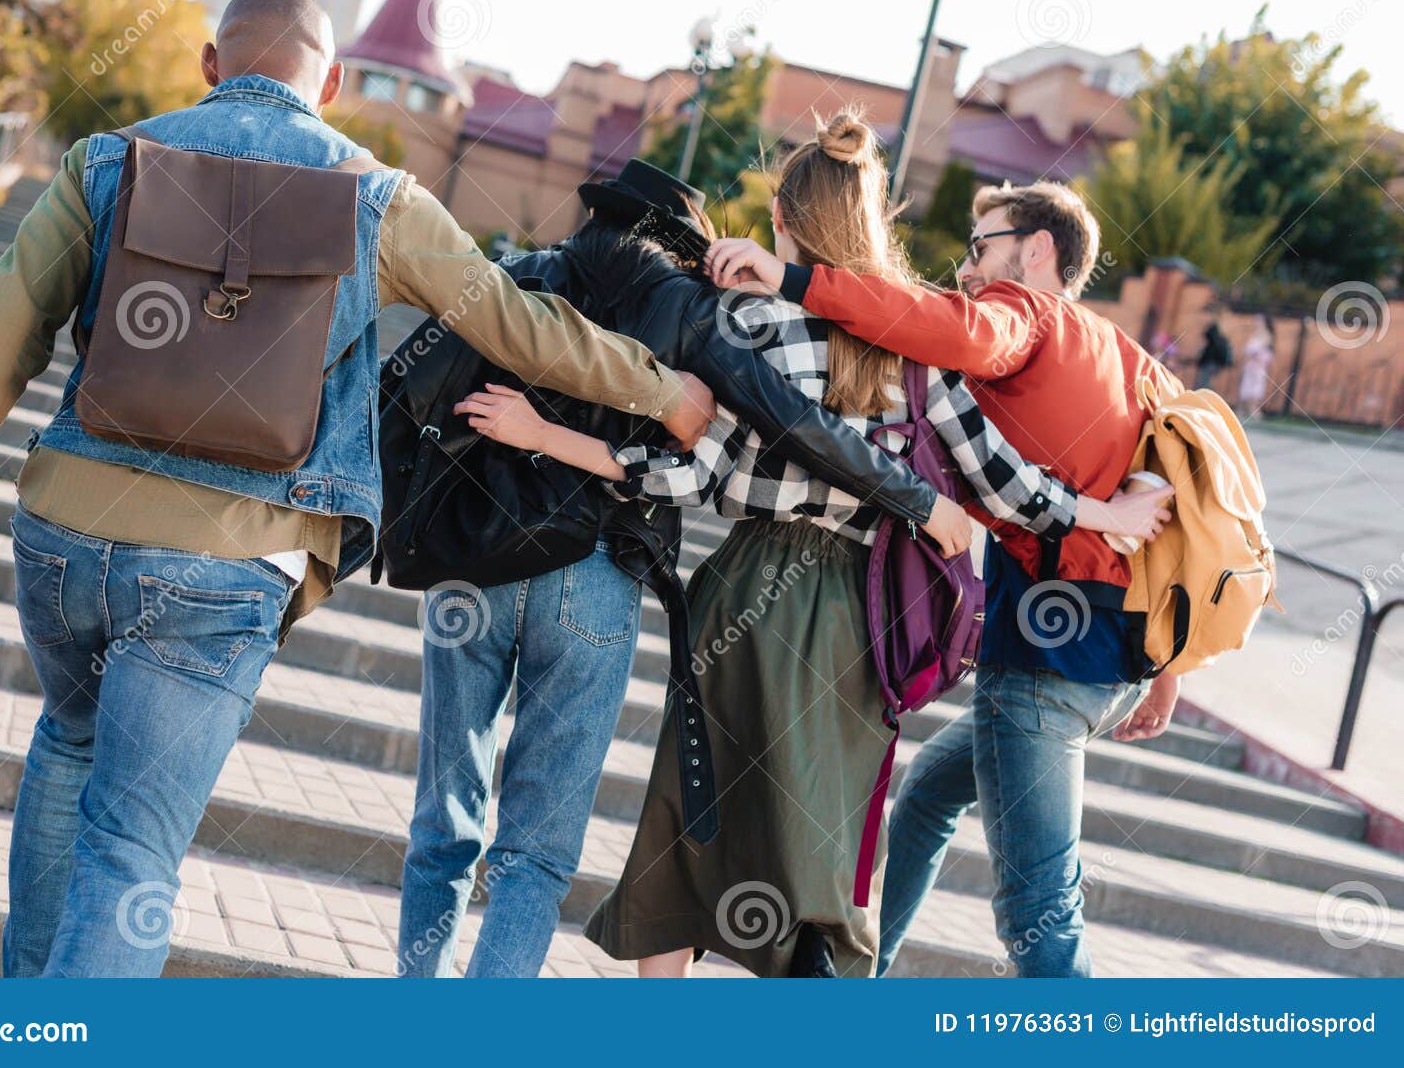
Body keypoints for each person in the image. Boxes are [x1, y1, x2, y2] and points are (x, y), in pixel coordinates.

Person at [0, 0, 724, 978]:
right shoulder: (379, 198)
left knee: (67, 746)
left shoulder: (105, 160)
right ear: (335, 82)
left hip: (67, 532)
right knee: (131, 850)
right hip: (231, 559)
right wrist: (662, 391)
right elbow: (518, 326)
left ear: (209, 64)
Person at [460, 113, 1170, 977]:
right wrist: (1106, 517)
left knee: (690, 826)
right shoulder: (918, 357)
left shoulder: (751, 323)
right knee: (826, 854)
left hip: (749, 594)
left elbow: (691, 475)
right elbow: (1006, 484)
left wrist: (546, 434)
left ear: (784, 222)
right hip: (865, 619)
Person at [391, 159, 980, 977]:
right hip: (596, 570)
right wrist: (918, 501)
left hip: (472, 565)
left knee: (443, 820)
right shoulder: (697, 311)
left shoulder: (515, 280)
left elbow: (412, 391)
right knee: (538, 849)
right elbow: (780, 425)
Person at [705, 177, 1184, 977]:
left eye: (980, 247)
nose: (965, 270)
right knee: (929, 795)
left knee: (1039, 911)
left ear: (1038, 250)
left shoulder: (1025, 313)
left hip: (1048, 666)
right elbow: (1189, 514)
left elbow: (937, 326)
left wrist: (788, 275)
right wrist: (1171, 666)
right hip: (1118, 663)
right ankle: (862, 981)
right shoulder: (1131, 360)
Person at [1237, 315, 1275, 418]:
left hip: (1258, 368)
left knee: (1255, 390)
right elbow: (1248, 351)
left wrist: (1253, 355)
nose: (1257, 323)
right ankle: (1243, 411)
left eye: (1260, 321)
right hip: (1249, 367)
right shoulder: (1254, 335)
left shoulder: (1267, 335)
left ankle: (1254, 411)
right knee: (1245, 388)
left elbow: (1258, 352)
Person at [1197, 319, 1235, 391]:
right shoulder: (1221, 340)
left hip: (1211, 364)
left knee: (1204, 382)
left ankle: (1204, 395)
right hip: (1217, 365)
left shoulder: (1214, 340)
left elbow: (1209, 354)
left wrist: (1201, 361)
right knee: (1206, 382)